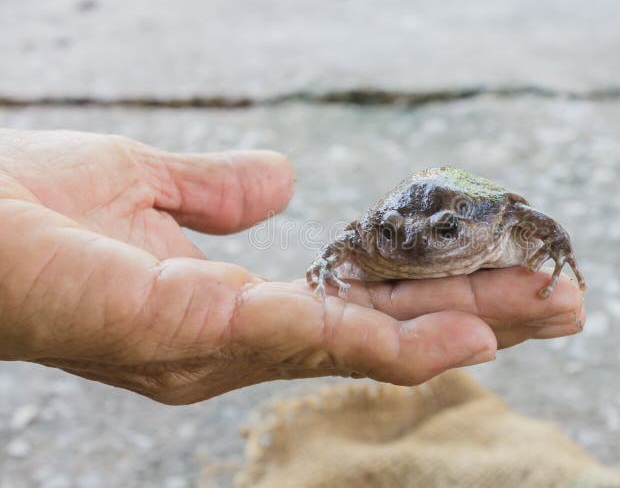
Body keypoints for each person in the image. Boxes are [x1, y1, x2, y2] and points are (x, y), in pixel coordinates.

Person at [0, 128, 585, 405]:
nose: (415, 248)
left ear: (473, 228)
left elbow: (541, 223)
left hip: (477, 205)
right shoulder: (378, 239)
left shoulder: (504, 222)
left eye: (444, 237)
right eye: (391, 237)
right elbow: (351, 239)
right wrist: (330, 262)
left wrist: (557, 253)